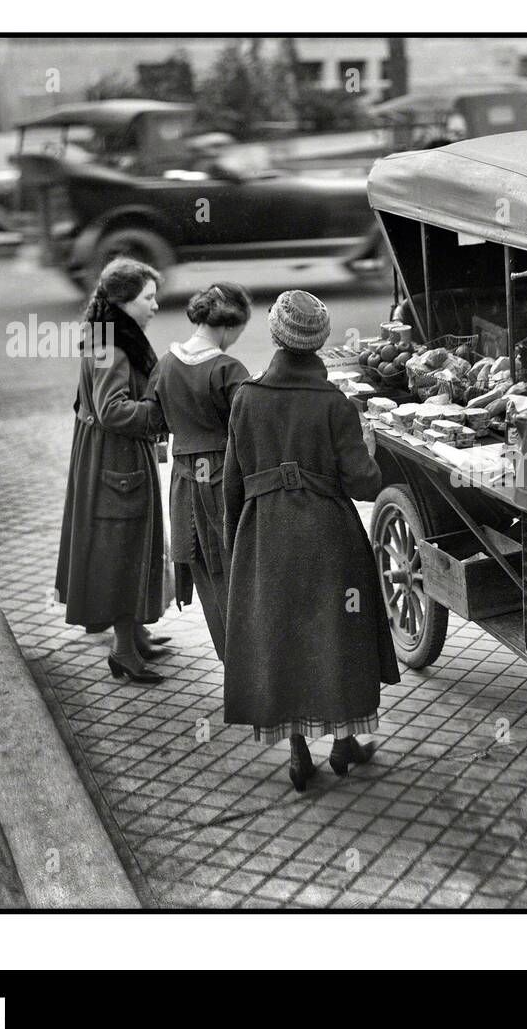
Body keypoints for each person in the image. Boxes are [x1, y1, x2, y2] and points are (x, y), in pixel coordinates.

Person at [222, 290, 401, 791]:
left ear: (276, 336)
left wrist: (236, 542)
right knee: (338, 635)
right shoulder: (334, 405)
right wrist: (369, 444)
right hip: (328, 536)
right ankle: (345, 741)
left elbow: (231, 483)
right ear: (319, 344)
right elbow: (364, 484)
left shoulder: (246, 398)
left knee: (283, 639)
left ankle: (299, 752)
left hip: (265, 535)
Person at [54, 257, 170, 684]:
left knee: (129, 544)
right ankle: (123, 652)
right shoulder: (114, 346)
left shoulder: (110, 334)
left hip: (111, 457)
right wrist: (161, 413)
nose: (156, 305)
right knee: (122, 548)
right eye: (148, 298)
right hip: (115, 460)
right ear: (123, 302)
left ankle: (134, 633)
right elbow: (111, 410)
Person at [150, 282, 252, 660]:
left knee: (205, 569)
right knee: (236, 564)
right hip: (223, 475)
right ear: (229, 324)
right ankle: (249, 660)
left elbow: (156, 418)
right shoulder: (227, 368)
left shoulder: (165, 362)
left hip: (183, 480)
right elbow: (248, 427)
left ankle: (230, 656)